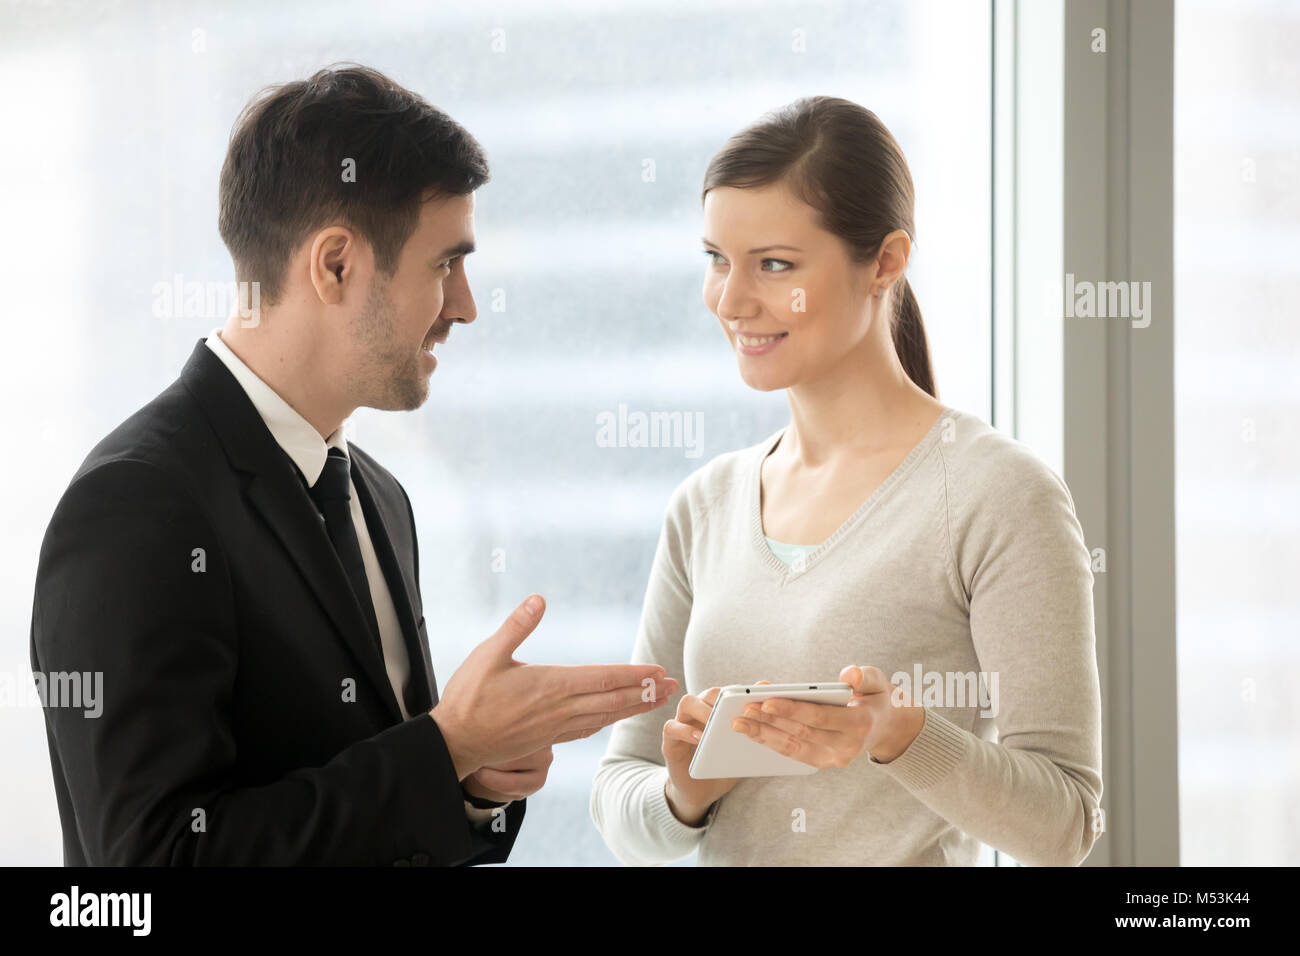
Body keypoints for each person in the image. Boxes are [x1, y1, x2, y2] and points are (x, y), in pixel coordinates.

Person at [29, 64, 676, 867]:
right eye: (446, 264)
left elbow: (371, 801)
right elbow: (150, 867)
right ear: (335, 265)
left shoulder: (378, 495)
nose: (466, 305)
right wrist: (442, 751)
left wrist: (472, 781)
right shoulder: (136, 504)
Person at [590, 96, 1103, 866]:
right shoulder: (705, 506)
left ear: (887, 261)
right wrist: (682, 796)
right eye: (716, 260)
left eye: (774, 265)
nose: (731, 301)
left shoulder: (999, 495)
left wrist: (900, 738)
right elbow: (620, 789)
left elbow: (1065, 824)